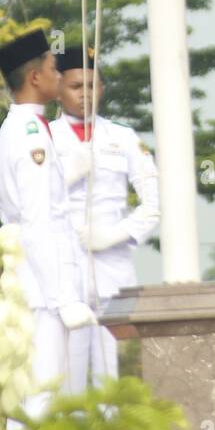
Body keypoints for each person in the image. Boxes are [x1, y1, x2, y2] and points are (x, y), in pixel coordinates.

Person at [0, 29, 97, 427]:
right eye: (54, 67)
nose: (59, 73)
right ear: (35, 77)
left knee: (59, 397)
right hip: (43, 292)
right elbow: (36, 222)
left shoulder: (29, 128)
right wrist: (62, 297)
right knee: (42, 399)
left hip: (44, 286)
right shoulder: (28, 134)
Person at [51, 46, 160, 390]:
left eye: (91, 86)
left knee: (114, 371)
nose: (84, 94)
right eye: (74, 86)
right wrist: (66, 175)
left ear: (102, 89)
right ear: (58, 89)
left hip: (113, 266)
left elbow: (153, 204)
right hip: (65, 265)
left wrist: (116, 234)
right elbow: (26, 203)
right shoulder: (45, 137)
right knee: (68, 370)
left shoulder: (123, 138)